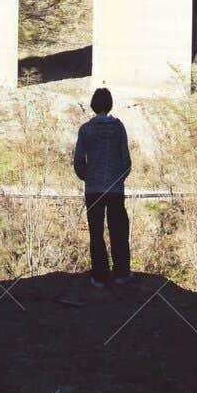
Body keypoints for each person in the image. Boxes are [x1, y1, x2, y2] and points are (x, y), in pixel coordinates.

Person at [73, 87, 136, 288]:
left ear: (93, 105)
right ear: (109, 104)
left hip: (93, 190)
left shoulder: (85, 129)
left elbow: (78, 162)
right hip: (115, 189)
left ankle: (99, 276)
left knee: (96, 232)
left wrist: (89, 178)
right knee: (118, 230)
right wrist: (119, 179)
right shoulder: (119, 128)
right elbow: (126, 160)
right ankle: (121, 273)